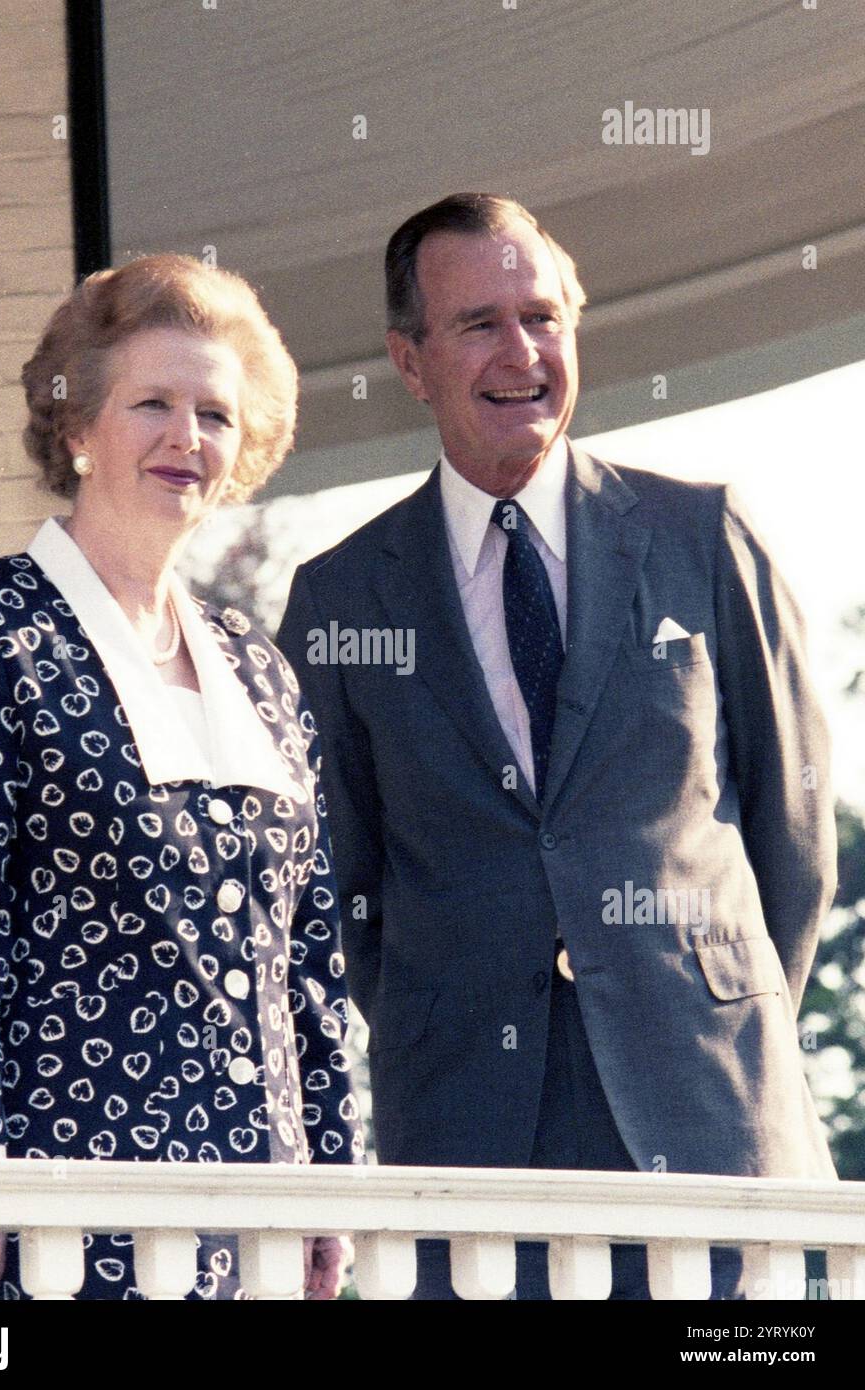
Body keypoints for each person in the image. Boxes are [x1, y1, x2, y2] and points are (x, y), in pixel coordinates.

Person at [276, 192, 837, 1300]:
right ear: (410, 359)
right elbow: (336, 890)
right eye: (479, 322)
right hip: (469, 1146)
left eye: (544, 315)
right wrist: (458, 1005)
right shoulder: (339, 597)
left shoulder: (700, 535)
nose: (521, 351)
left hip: (712, 1120)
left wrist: (698, 999)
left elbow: (793, 837)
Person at [0, 253, 363, 1301]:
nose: (187, 438)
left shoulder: (261, 670)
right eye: (153, 402)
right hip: (73, 1232)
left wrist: (337, 1177)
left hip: (266, 1230)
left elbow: (309, 961)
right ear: (76, 427)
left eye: (215, 414)